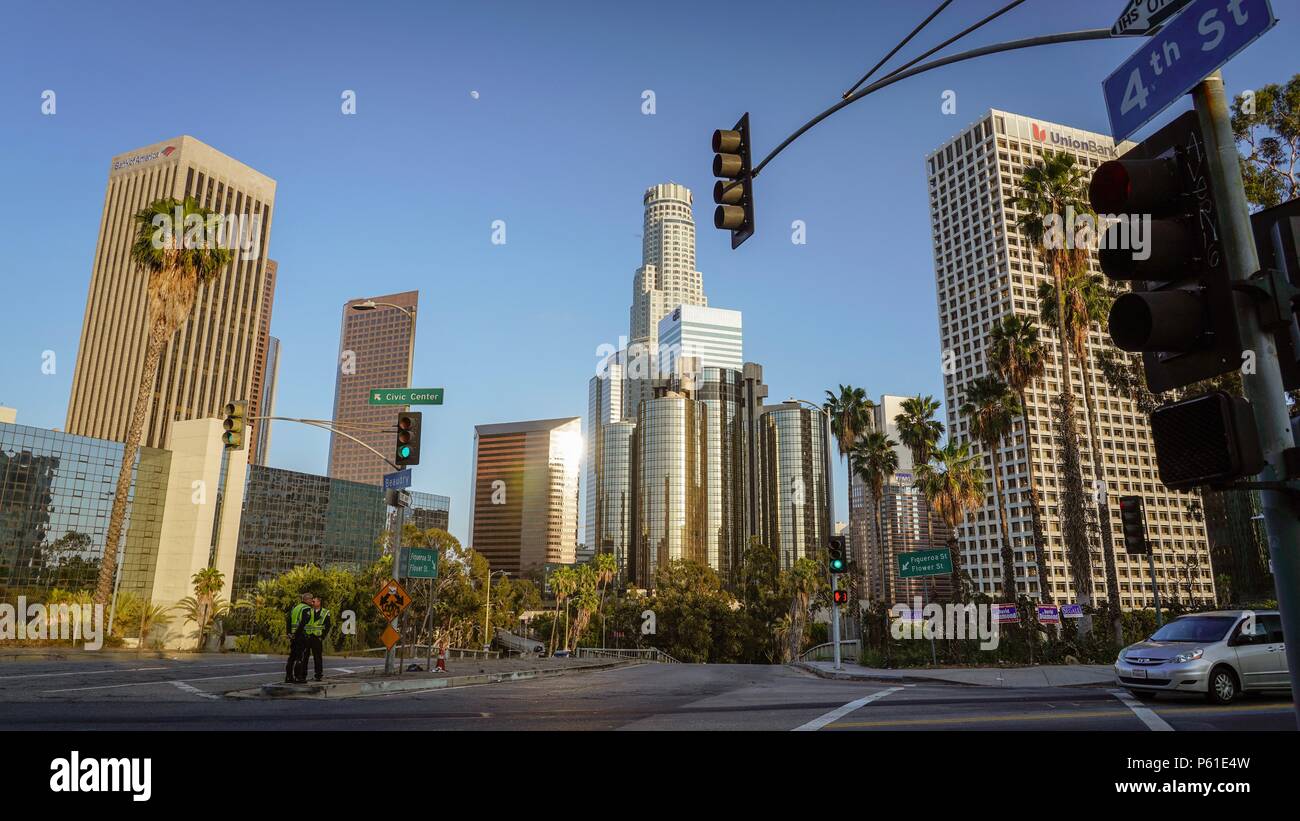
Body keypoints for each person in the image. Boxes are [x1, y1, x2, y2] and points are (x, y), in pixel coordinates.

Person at [285, 592, 314, 683]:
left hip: (293, 635)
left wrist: (289, 633)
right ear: (307, 600)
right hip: (301, 636)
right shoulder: (307, 609)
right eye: (311, 599)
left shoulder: (295, 608)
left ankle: (289, 677)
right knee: (300, 657)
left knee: (292, 657)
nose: (312, 601)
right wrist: (296, 635)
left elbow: (288, 620)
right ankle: (298, 677)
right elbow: (303, 623)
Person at [302, 595, 332, 682]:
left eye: (313, 601)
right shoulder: (309, 611)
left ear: (319, 602)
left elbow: (328, 626)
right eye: (312, 601)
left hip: (317, 638)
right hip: (307, 637)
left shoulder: (325, 612)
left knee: (317, 657)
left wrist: (322, 637)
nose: (312, 603)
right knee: (305, 657)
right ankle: (303, 675)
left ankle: (318, 675)